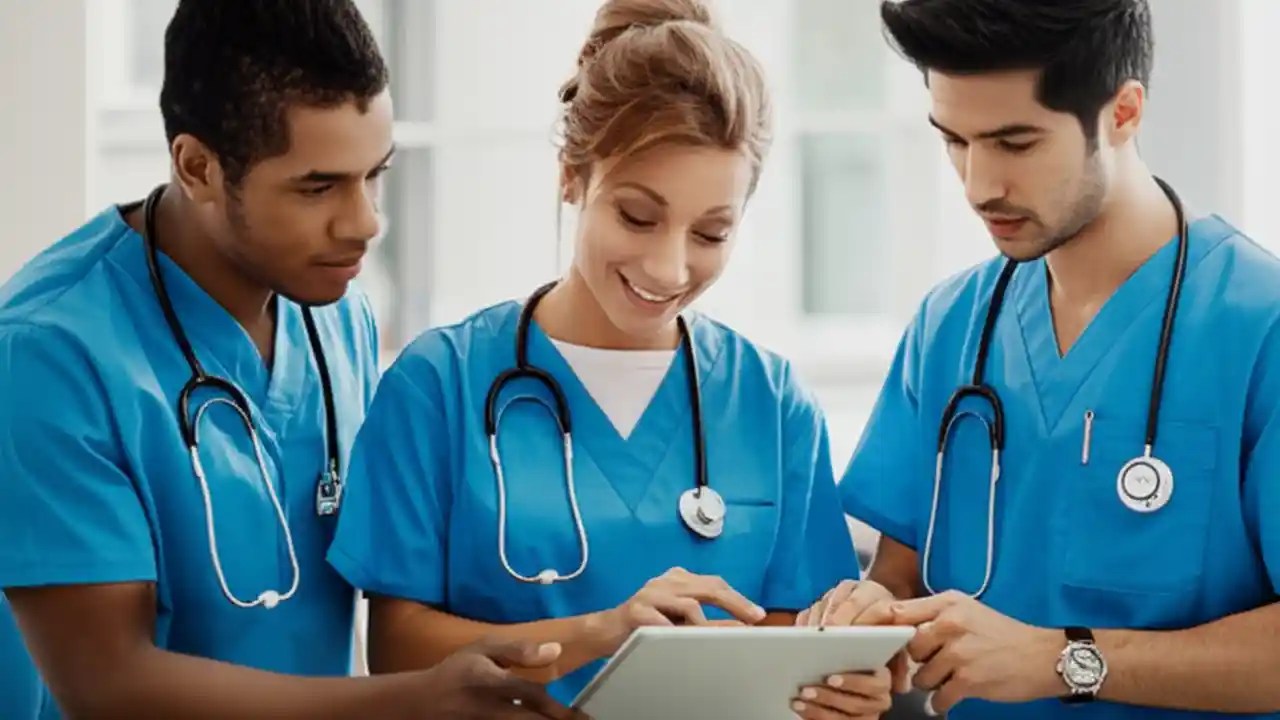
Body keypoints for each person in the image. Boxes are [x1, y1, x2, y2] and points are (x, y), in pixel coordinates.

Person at [0, 1, 582, 718]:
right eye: (318, 187)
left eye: (375, 175)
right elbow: (108, 683)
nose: (366, 222)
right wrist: (409, 701)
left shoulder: (342, 315)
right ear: (198, 166)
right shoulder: (47, 353)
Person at [325, 1, 893, 718]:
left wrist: (842, 686)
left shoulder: (770, 403)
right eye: (637, 216)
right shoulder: (440, 384)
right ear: (572, 175)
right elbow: (398, 651)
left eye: (712, 232)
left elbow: (795, 649)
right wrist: (602, 634)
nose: (669, 265)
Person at [804, 0, 1280, 718]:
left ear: (1123, 112)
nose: (976, 185)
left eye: (1014, 143)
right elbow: (900, 585)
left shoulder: (1258, 327)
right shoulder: (949, 327)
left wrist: (1064, 661)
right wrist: (863, 622)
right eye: (954, 142)